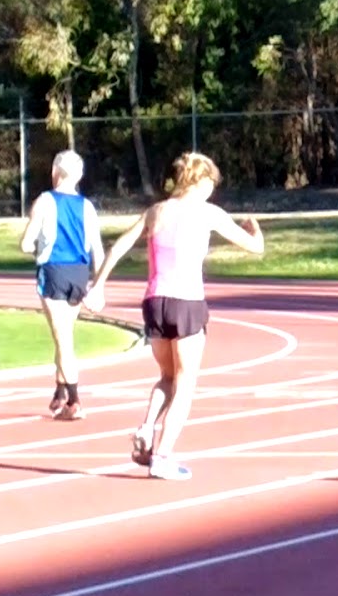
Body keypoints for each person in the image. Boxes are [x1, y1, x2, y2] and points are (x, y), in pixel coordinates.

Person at [84, 152, 264, 481]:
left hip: (155, 302)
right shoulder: (209, 213)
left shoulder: (156, 212)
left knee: (167, 376)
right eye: (213, 183)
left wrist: (98, 286)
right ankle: (163, 456)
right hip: (187, 303)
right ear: (203, 181)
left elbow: (119, 247)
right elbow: (255, 248)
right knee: (185, 383)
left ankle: (147, 426)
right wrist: (256, 230)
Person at [18, 150, 105, 420]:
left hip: (54, 271)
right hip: (79, 274)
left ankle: (75, 399)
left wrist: (36, 247)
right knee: (64, 333)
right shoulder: (87, 206)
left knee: (63, 338)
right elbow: (98, 251)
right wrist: (98, 286)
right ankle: (59, 391)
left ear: (55, 172)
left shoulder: (45, 201)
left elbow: (25, 243)